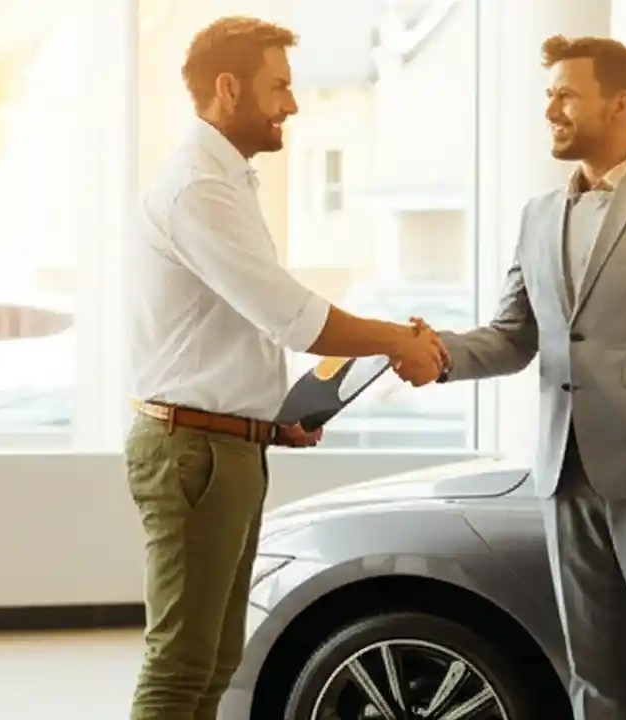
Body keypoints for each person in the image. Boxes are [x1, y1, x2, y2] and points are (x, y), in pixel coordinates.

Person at [123, 16, 446, 720]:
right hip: (194, 453)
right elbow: (293, 317)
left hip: (225, 444)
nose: (292, 105)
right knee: (181, 665)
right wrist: (396, 340)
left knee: (212, 665)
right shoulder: (196, 189)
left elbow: (235, 329)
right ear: (227, 87)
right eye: (279, 88)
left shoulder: (227, 183)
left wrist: (267, 419)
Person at [431, 35, 626, 720]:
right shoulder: (538, 215)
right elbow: (513, 338)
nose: (550, 110)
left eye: (565, 94)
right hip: (562, 470)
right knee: (592, 672)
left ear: (620, 103)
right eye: (548, 95)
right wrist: (435, 354)